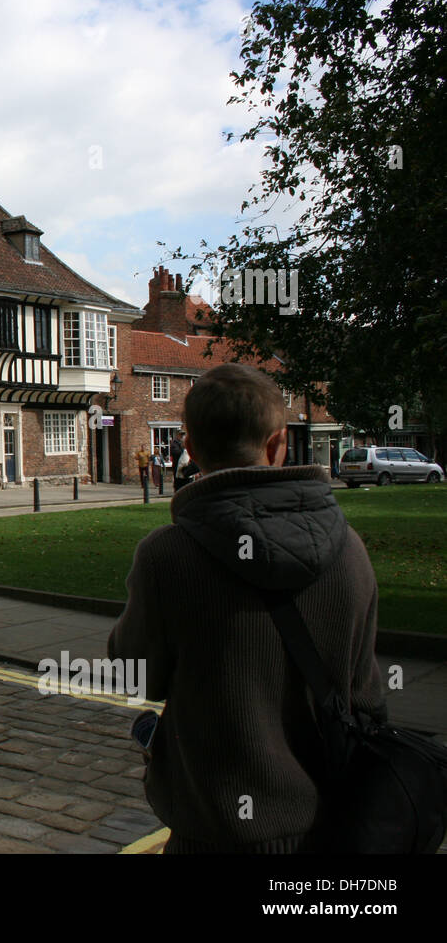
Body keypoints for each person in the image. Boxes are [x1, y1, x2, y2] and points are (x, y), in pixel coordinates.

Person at [108, 363, 385, 853]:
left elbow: (137, 678)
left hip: (212, 829)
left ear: (190, 449)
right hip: (330, 826)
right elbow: (365, 698)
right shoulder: (350, 550)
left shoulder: (167, 555)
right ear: (277, 444)